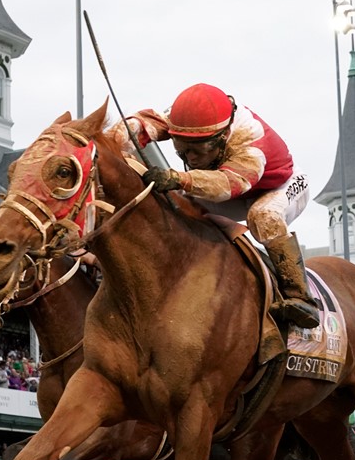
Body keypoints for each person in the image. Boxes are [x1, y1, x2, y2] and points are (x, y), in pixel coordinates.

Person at [111, 83, 320, 328]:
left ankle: (300, 296)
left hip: (277, 185)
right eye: (183, 150)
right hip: (230, 184)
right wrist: (116, 139)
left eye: (197, 150)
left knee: (263, 216)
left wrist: (180, 177)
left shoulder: (251, 141)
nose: (190, 158)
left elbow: (228, 184)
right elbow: (146, 122)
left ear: (221, 138)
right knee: (178, 199)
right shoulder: (189, 119)